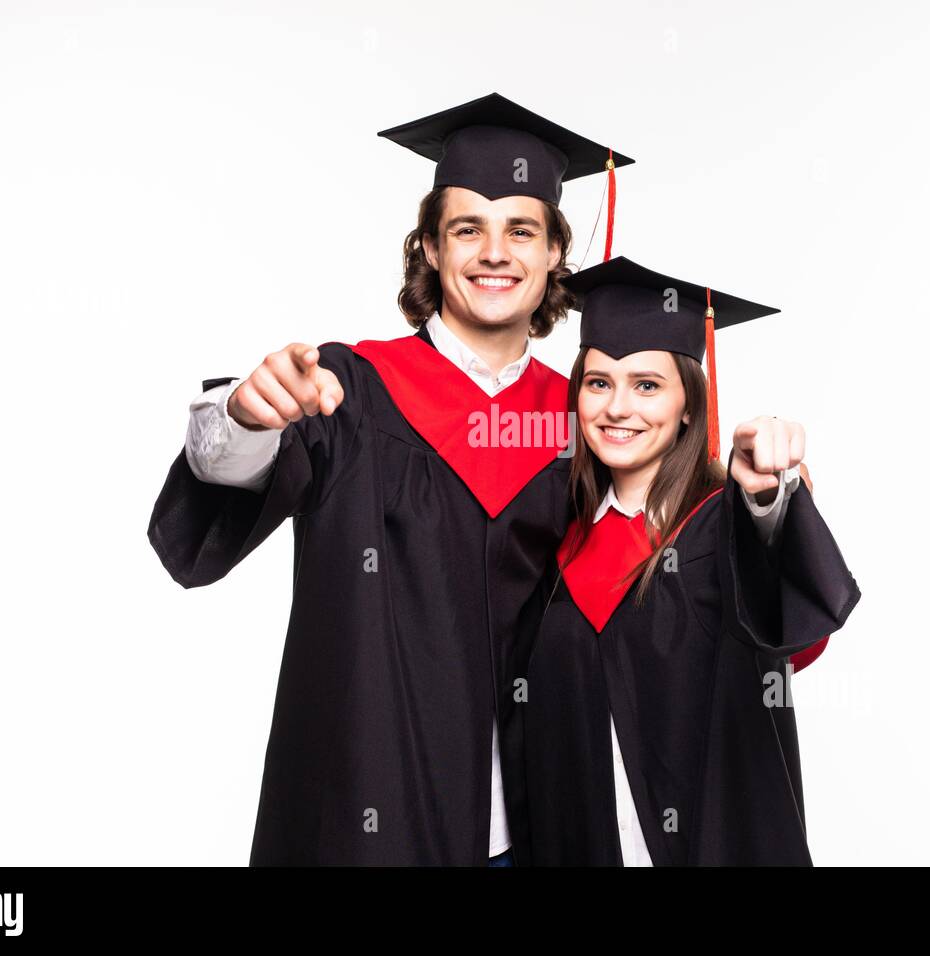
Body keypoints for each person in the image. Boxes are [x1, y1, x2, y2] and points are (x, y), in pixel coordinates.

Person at [146, 93, 634, 865]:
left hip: (539, 826)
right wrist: (243, 417)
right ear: (432, 250)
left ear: (552, 258)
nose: (495, 252)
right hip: (374, 820)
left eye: (522, 231)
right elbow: (229, 475)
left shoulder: (589, 422)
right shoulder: (348, 387)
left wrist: (762, 509)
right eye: (468, 228)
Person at [522, 256, 862, 866]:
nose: (617, 408)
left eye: (647, 385)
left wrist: (768, 502)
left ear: (688, 406)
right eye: (599, 383)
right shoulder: (562, 542)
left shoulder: (719, 527)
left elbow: (793, 637)